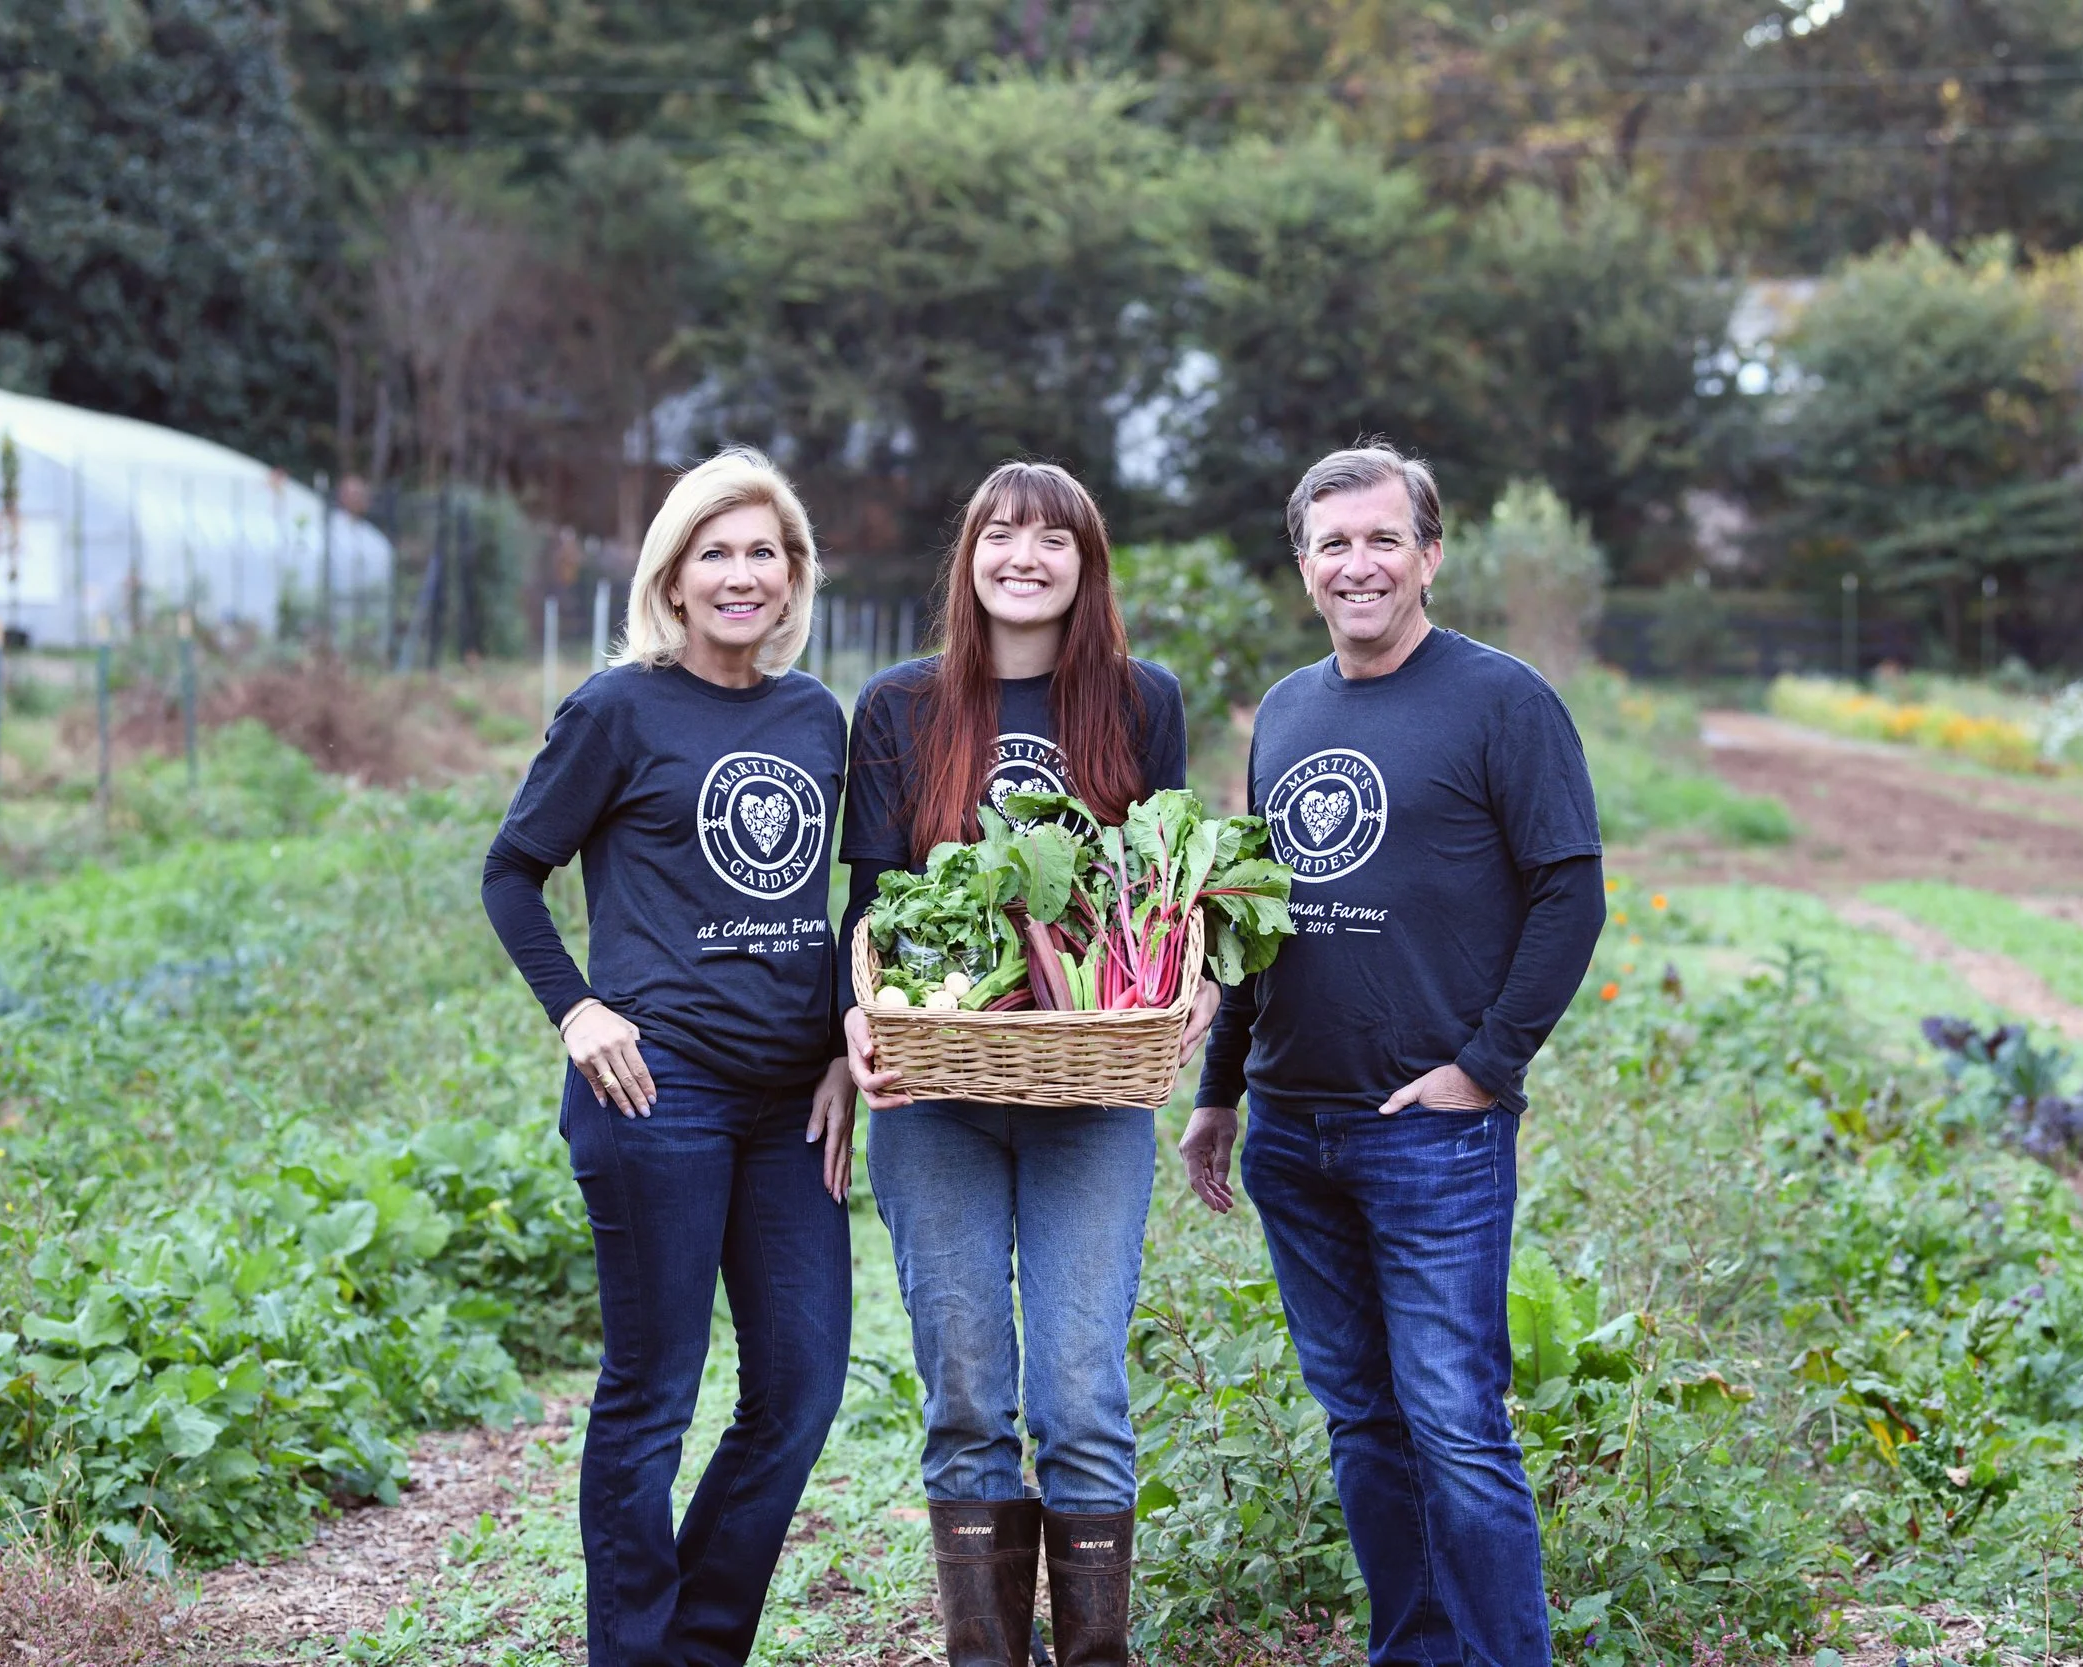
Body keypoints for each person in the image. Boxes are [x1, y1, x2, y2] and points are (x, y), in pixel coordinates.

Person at [1178, 443, 1605, 1667]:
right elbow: (1257, 922)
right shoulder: (1291, 709)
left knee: (1456, 1427)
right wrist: (1219, 1091)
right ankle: (1412, 1650)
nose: (1356, 564)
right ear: (1302, 565)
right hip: (1293, 1129)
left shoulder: (1500, 699)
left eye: (1380, 539)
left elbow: (1569, 897)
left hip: (1430, 1130)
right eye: (1332, 544)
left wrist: (1486, 1065)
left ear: (1428, 553)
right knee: (1362, 1422)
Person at [480, 448, 855, 1667]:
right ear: (675, 578)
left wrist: (848, 1049)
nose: (741, 574)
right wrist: (576, 1009)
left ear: (793, 576)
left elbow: (842, 900)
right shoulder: (616, 708)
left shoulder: (814, 715)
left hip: (789, 1103)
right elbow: (511, 870)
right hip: (657, 1095)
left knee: (797, 1392)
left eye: (763, 552)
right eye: (716, 553)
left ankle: (691, 1647)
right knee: (653, 1396)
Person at [839, 461, 1209, 1667]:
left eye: (1053, 539)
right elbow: (873, 906)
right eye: (1001, 533)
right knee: (960, 1391)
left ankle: (1095, 1651)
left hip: (1089, 1097)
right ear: (970, 556)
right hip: (937, 1096)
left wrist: (1194, 982)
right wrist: (857, 1025)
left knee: (1081, 1393)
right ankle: (984, 1653)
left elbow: (1168, 883)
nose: (1025, 556)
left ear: (1085, 564)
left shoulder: (1140, 700)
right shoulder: (899, 707)